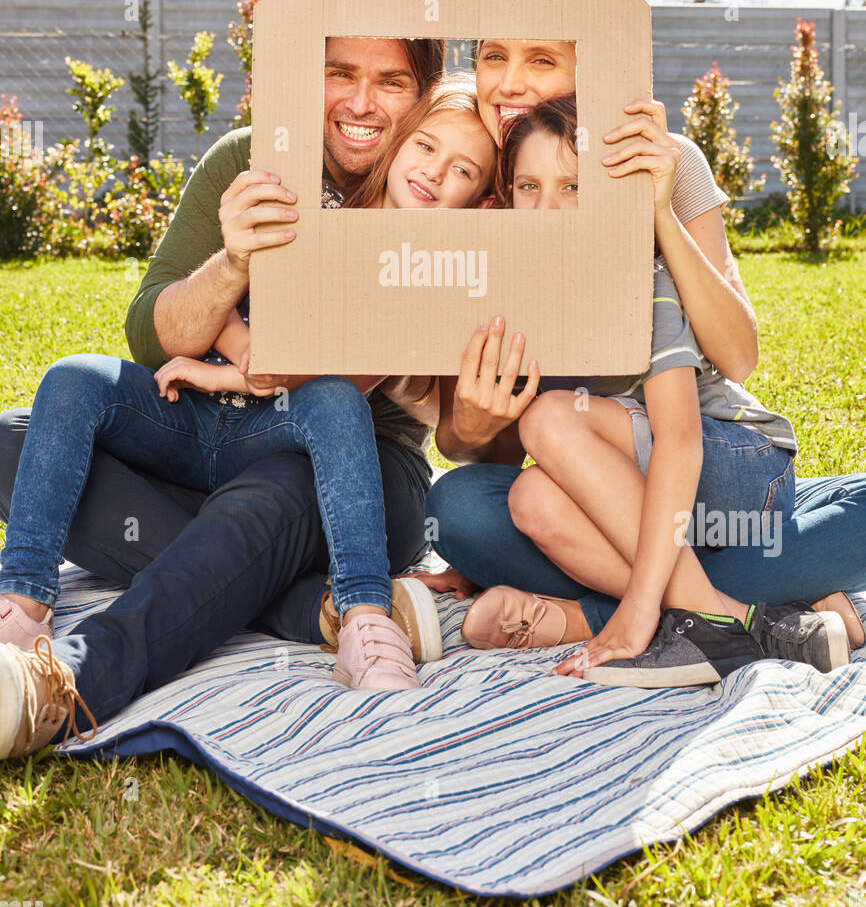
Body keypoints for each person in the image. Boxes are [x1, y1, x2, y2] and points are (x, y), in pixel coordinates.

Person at [0, 82, 497, 712]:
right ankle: (23, 602)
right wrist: (236, 343)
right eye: (425, 146)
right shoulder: (306, 199)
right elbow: (198, 304)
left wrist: (229, 372)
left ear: (479, 200)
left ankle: (364, 613)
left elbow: (344, 376)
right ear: (402, 146)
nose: (432, 170)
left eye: (461, 170)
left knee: (331, 411)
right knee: (65, 385)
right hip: (205, 428)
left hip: (297, 443)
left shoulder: (427, 266)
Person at [457, 99, 851, 685]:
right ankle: (736, 617)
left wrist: (638, 614)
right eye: (529, 185)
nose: (549, 207)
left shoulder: (643, 274)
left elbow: (681, 439)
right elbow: (507, 454)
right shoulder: (517, 290)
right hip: (645, 500)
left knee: (550, 421)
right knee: (527, 498)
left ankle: (650, 611)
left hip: (738, 470)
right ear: (507, 197)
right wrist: (466, 566)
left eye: (573, 186)